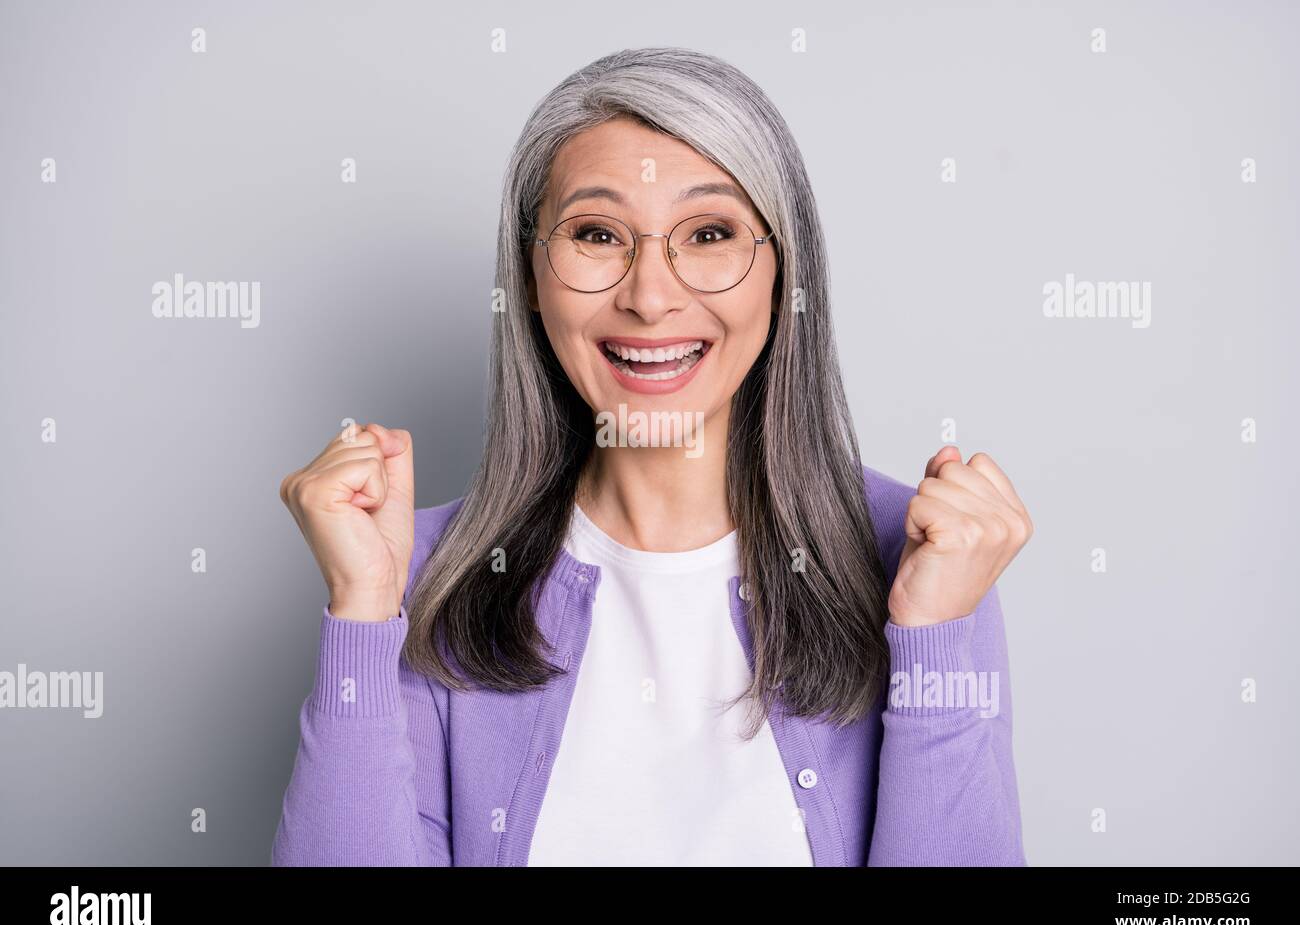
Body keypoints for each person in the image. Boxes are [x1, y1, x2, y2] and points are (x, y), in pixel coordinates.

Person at [272, 47, 1033, 866]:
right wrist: (362, 609)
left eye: (709, 233)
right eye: (596, 234)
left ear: (783, 275)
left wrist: (934, 636)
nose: (650, 296)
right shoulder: (424, 576)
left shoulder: (919, 567)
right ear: (529, 277)